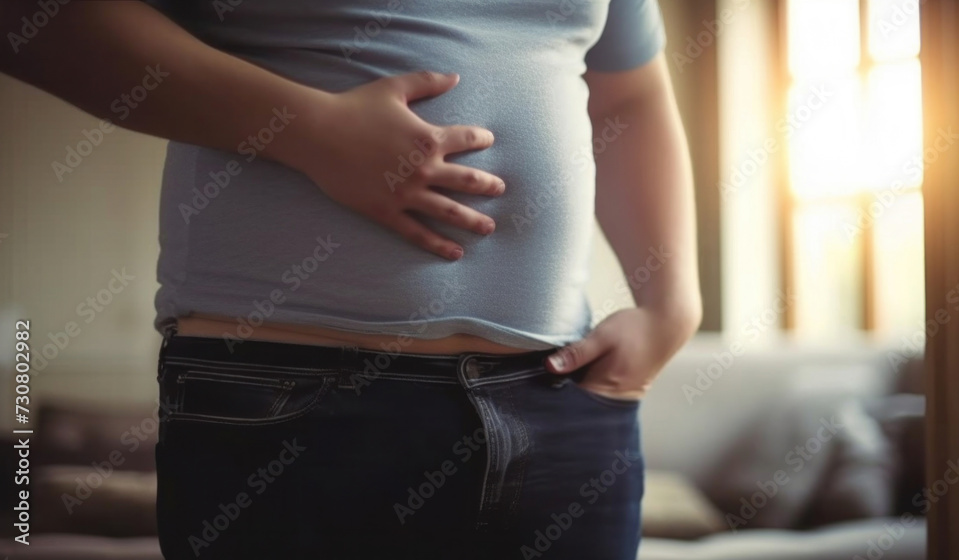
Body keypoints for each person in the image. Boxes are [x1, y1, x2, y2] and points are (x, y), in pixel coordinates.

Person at [0, 0, 701, 558]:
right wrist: (311, 131)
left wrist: (673, 304)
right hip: (291, 403)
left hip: (562, 402)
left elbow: (628, 93)